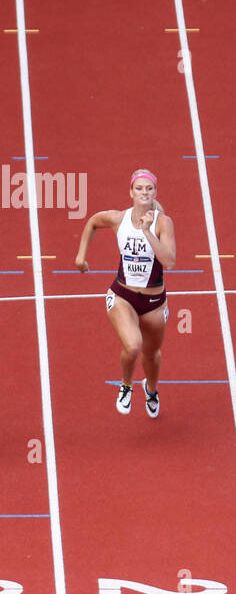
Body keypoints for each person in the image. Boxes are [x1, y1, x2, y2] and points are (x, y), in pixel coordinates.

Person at [74, 169, 175, 417]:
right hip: (123, 296)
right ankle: (127, 385)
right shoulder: (119, 219)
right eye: (139, 188)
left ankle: (150, 390)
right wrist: (80, 256)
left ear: (154, 193)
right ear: (131, 192)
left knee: (151, 354)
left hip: (154, 302)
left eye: (148, 188)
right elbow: (93, 222)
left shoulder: (163, 223)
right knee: (133, 346)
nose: (144, 192)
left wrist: (147, 231)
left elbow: (169, 261)